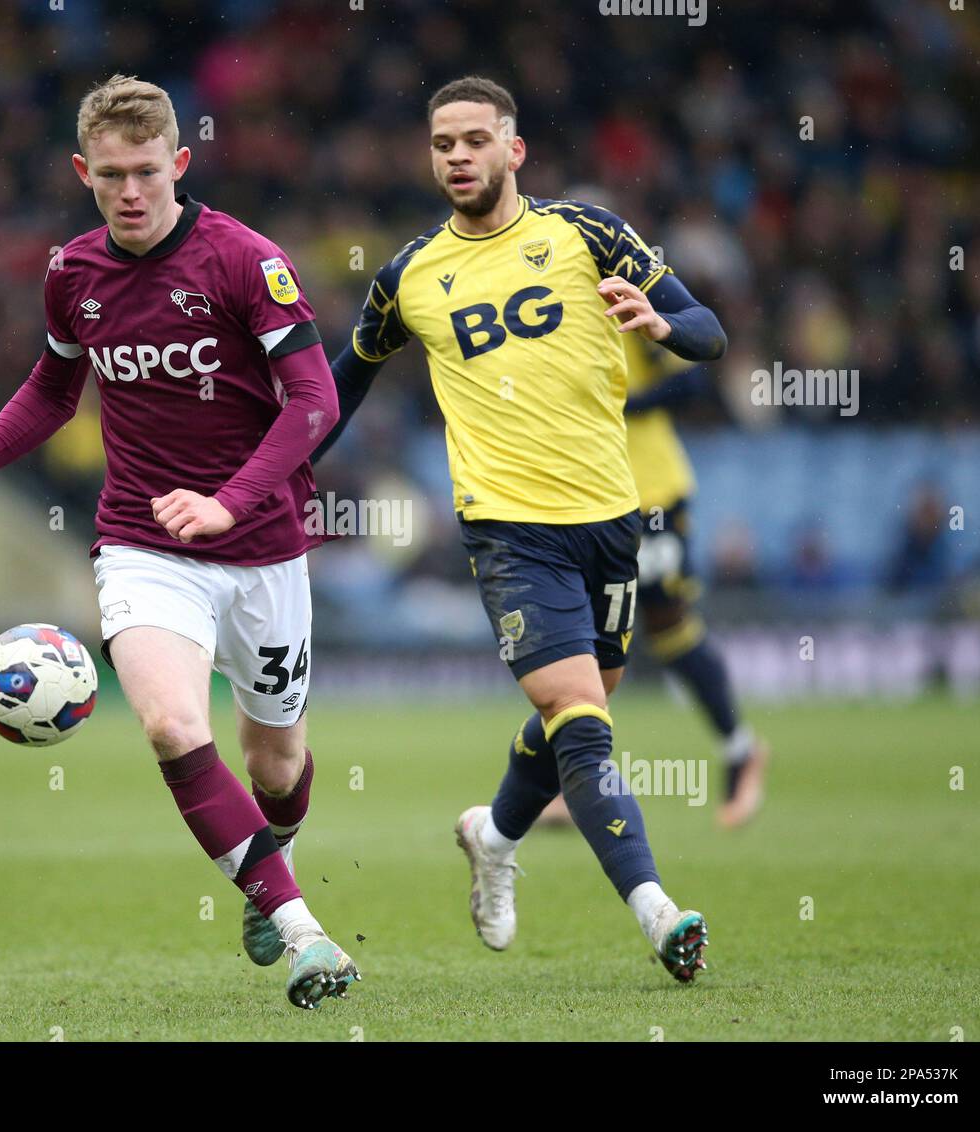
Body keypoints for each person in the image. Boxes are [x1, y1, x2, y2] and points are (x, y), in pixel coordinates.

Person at [0, 75, 357, 1010]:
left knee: (278, 764)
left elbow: (317, 400)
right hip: (144, 541)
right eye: (112, 176)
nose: (132, 191)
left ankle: (274, 863)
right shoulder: (72, 273)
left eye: (148, 171)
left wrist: (229, 502)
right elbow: (53, 390)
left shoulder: (245, 261)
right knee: (169, 725)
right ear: (83, 173)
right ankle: (305, 930)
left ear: (180, 163)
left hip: (263, 544)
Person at [314, 76, 726, 982]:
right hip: (508, 533)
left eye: (473, 140)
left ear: (513, 149)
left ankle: (492, 834)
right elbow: (342, 381)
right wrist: (277, 469)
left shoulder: (586, 232)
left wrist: (663, 322)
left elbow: (709, 330)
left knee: (584, 705)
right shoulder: (409, 275)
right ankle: (658, 913)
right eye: (441, 143)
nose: (456, 156)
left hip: (610, 520)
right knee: (579, 721)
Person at [533, 244, 770, 830]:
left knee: (662, 619)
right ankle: (577, 778)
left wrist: (621, 404)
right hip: (586, 495)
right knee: (581, 635)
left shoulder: (619, 298)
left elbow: (692, 384)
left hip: (652, 492)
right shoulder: (536, 313)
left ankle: (740, 749)